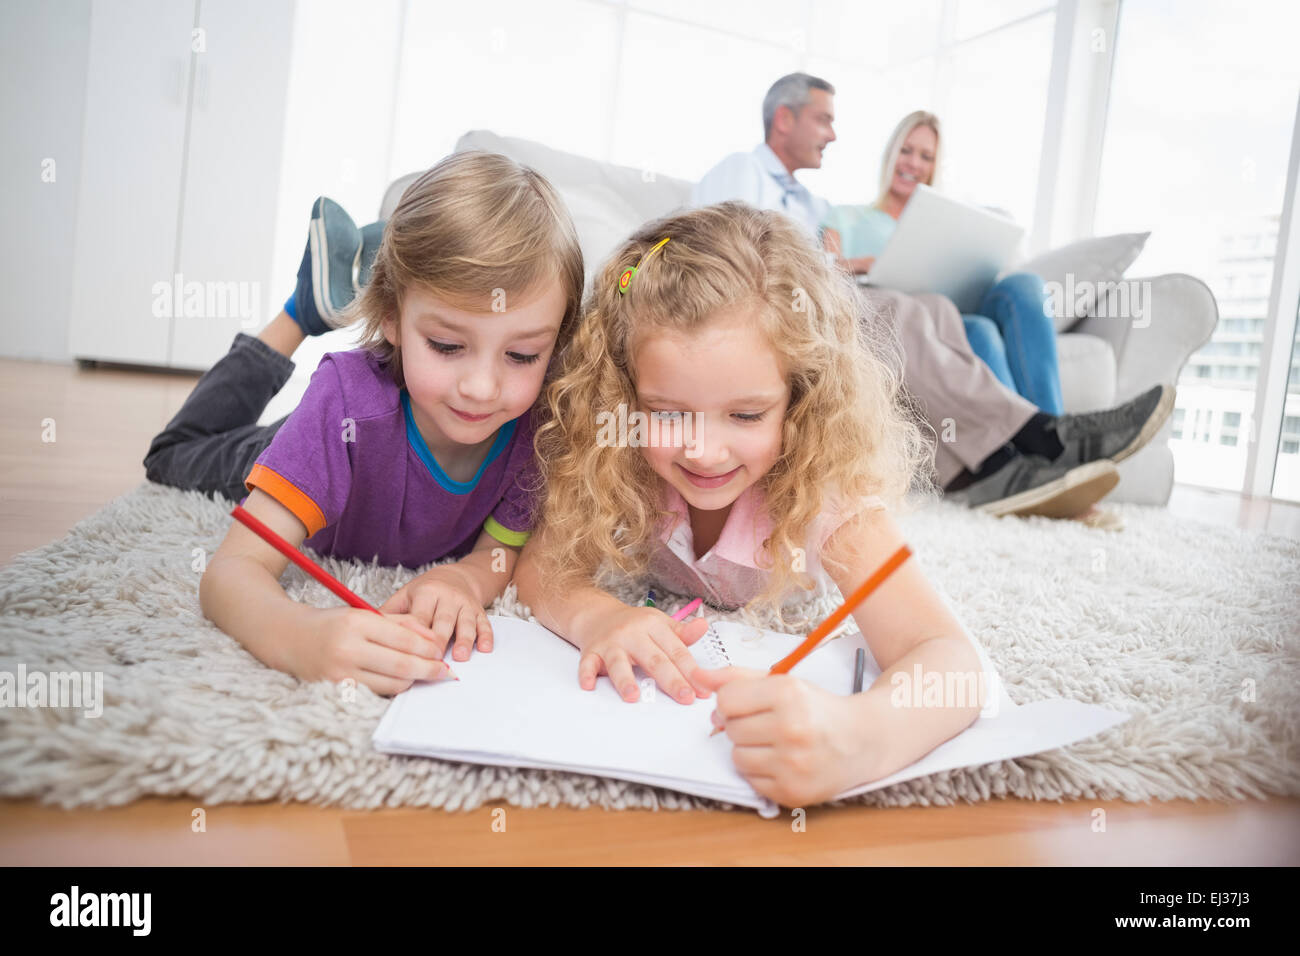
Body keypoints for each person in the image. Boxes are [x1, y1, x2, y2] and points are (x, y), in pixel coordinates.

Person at [513, 202, 985, 808]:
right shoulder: (618, 456)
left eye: (746, 415)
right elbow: (539, 569)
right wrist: (597, 616)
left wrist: (859, 737)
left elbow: (949, 662)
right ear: (625, 391)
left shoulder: (825, 492)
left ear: (801, 397)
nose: (704, 452)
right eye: (667, 413)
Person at [143, 151, 584, 695]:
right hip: (316, 437)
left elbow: (501, 550)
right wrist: (300, 636)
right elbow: (229, 574)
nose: (482, 388)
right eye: (447, 345)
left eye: (521, 356)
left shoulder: (538, 426)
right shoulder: (344, 405)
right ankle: (302, 312)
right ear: (390, 318)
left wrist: (463, 577)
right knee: (171, 456)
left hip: (377, 415)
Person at [692, 73, 1174, 520]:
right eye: (824, 119)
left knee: (936, 309)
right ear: (784, 119)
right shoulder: (743, 171)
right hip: (779, 305)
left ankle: (989, 469)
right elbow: (720, 247)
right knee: (898, 310)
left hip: (829, 302)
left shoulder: (812, 204)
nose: (833, 134)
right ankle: (1043, 437)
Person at [823, 110, 1064, 415]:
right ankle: (1036, 442)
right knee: (981, 331)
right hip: (918, 322)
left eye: (926, 156)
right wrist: (865, 264)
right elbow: (825, 275)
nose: (913, 163)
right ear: (890, 154)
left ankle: (1055, 423)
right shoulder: (845, 217)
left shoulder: (943, 222)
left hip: (955, 305)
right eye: (906, 151)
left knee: (1026, 285)